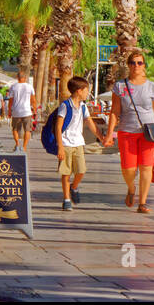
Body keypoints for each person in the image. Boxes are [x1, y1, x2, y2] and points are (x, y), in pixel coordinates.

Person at [103, 50, 154, 214]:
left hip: (150, 131)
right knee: (128, 168)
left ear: (144, 65)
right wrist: (109, 134)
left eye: (139, 63)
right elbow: (115, 111)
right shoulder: (120, 86)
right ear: (128, 65)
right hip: (127, 131)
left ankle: (143, 202)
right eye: (133, 63)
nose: (136, 66)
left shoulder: (152, 86)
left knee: (146, 167)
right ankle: (131, 188)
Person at [55, 76, 94, 210]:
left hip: (78, 143)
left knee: (81, 170)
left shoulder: (83, 107)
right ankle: (66, 199)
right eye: (86, 90)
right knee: (66, 173)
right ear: (79, 91)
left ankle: (74, 187)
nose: (87, 93)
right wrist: (60, 147)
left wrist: (102, 137)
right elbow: (58, 127)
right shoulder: (65, 106)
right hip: (65, 143)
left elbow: (90, 123)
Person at [7, 69, 36, 152]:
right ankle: (24, 146)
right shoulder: (29, 86)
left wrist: (9, 111)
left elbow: (10, 100)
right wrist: (34, 110)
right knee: (27, 129)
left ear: (17, 77)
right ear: (25, 78)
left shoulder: (13, 86)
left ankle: (17, 144)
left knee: (15, 129)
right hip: (27, 111)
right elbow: (33, 100)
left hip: (16, 111)